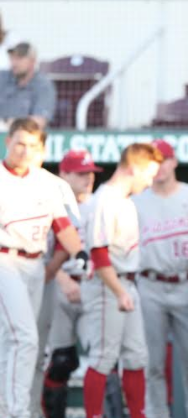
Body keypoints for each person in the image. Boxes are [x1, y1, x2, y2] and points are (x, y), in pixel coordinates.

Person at [0, 118, 87, 418]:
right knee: (24, 338)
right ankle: (16, 410)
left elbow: (62, 225)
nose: (25, 151)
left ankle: (6, 407)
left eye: (33, 146)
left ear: (41, 150)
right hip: (4, 258)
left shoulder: (48, 183)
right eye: (20, 143)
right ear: (8, 140)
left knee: (15, 342)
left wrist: (80, 252)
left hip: (35, 264)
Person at [81, 143, 163, 418]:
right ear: (132, 168)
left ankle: (137, 414)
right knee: (103, 358)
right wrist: (119, 292)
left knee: (136, 355)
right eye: (148, 174)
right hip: (108, 285)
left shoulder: (125, 200)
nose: (151, 180)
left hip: (125, 283)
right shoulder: (105, 199)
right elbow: (98, 252)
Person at [132, 140, 188, 418]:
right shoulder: (136, 200)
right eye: (153, 161)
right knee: (152, 364)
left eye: (163, 160)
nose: (158, 166)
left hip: (187, 282)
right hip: (149, 284)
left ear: (174, 162)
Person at [40, 150, 103, 418]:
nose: (88, 178)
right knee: (61, 361)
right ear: (63, 174)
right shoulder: (50, 203)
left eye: (90, 172)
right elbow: (37, 252)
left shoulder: (100, 203)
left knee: (103, 359)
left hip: (95, 285)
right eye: (80, 173)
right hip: (58, 284)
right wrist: (61, 277)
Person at [0, 42, 56, 128]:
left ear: (32, 61)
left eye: (19, 58)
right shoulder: (3, 78)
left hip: (26, 136)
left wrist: (7, 123)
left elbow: (39, 121)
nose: (14, 63)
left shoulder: (43, 85)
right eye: (12, 58)